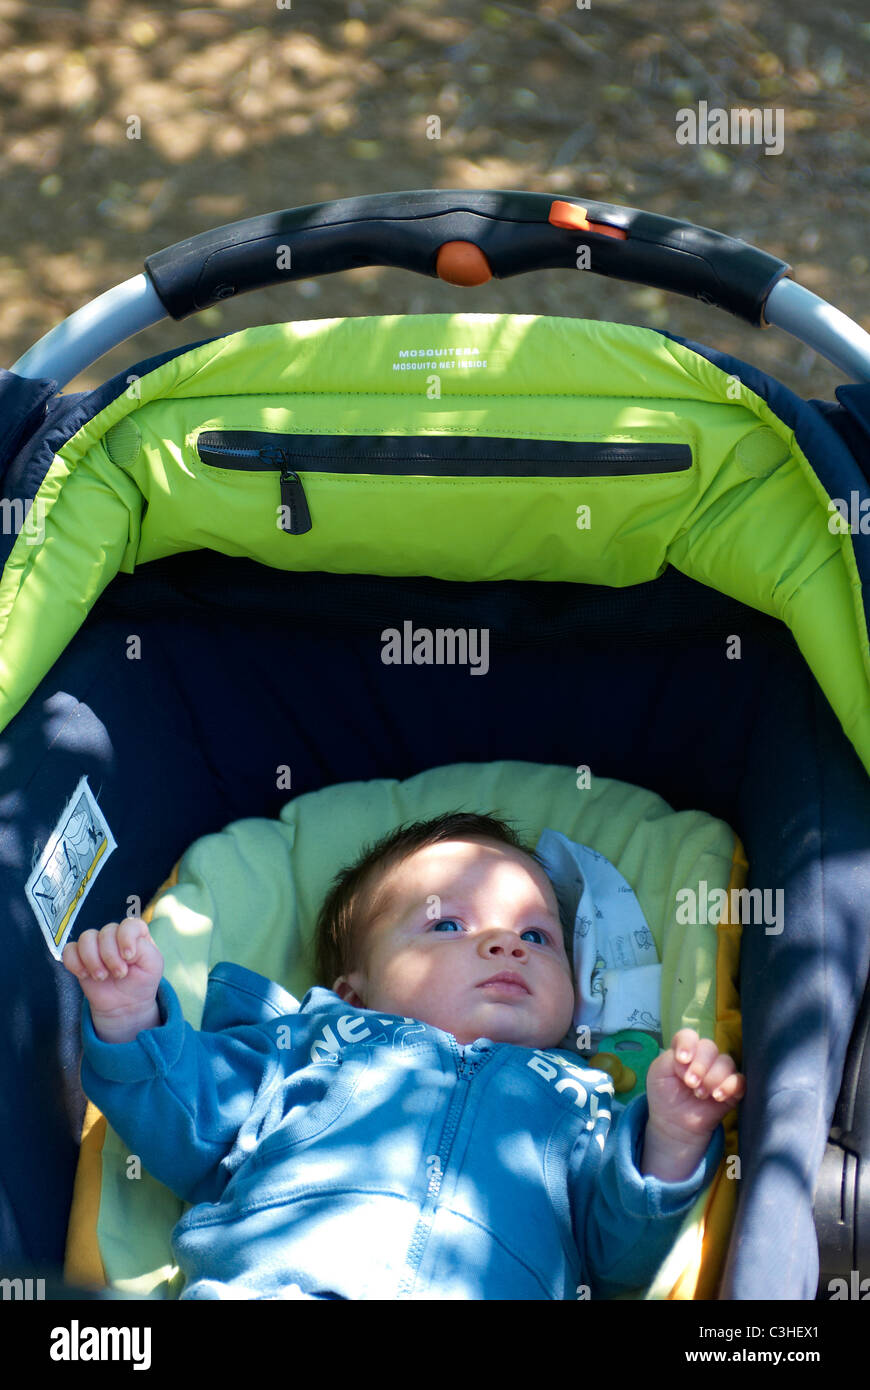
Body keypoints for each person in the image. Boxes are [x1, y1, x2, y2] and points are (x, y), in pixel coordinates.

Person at [63, 811, 745, 1301]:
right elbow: (188, 1115)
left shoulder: (580, 1105)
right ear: (351, 992)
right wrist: (133, 1018)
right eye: (448, 925)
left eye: (538, 936)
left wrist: (669, 1135)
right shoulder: (313, 1044)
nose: (506, 945)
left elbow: (619, 1252)